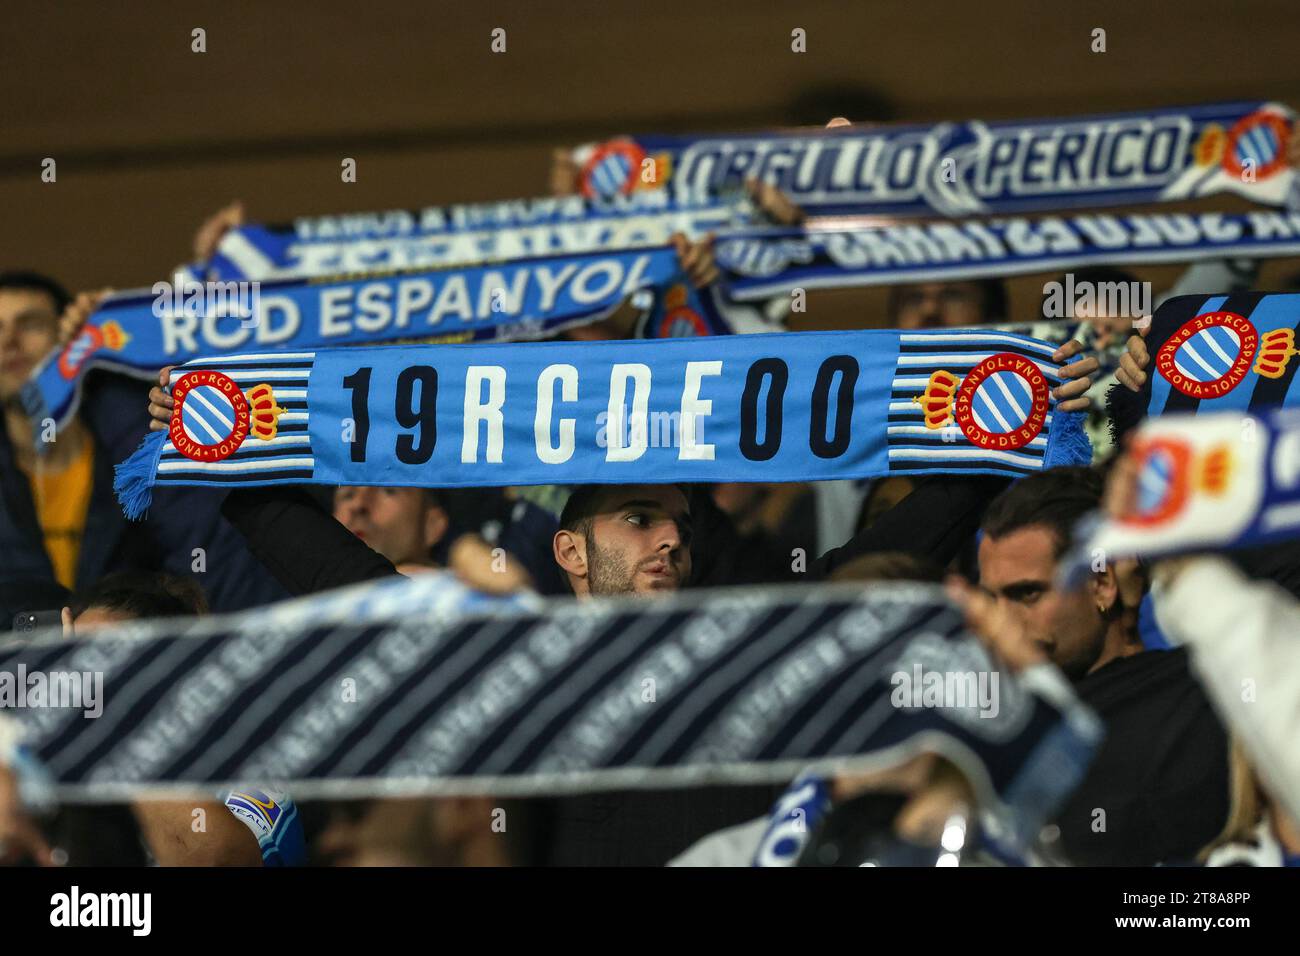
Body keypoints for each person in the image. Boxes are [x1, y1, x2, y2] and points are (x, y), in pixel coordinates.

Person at [974, 467, 1230, 865]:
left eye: (1027, 593)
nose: (1000, 623)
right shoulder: (979, 734)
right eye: (990, 599)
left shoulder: (1205, 693)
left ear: (1102, 584)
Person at [1, 277, 289, 622]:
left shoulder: (133, 432)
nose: (9, 342)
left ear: (71, 340)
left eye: (30, 325)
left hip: (144, 665)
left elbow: (216, 558)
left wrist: (114, 356)